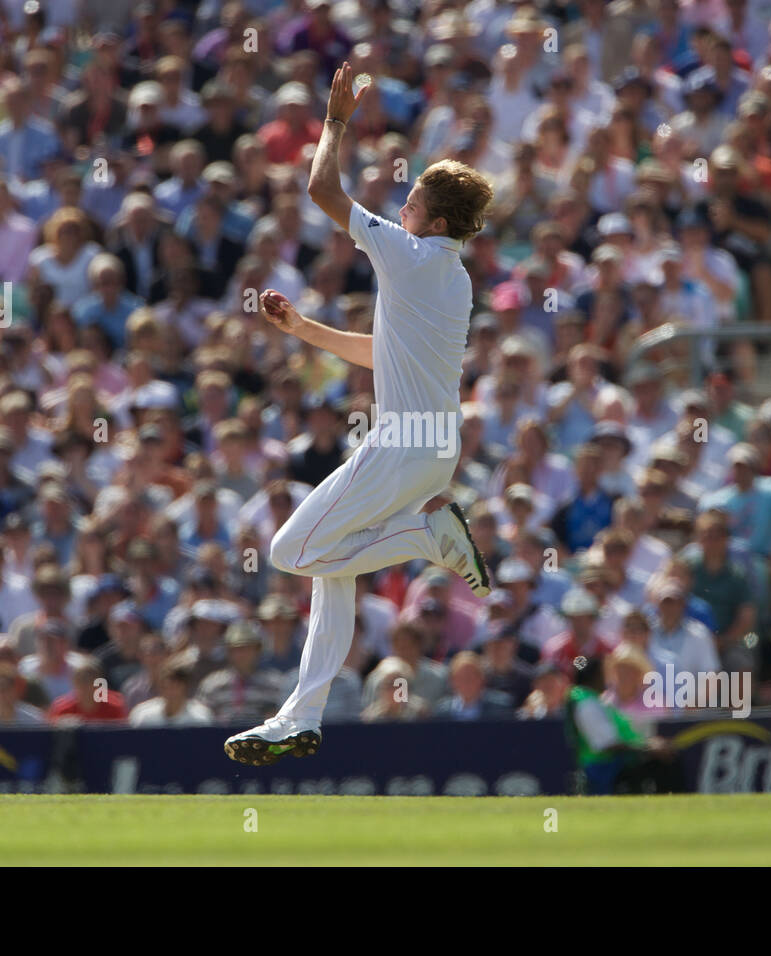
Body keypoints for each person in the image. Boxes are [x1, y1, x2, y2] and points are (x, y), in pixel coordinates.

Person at [224, 63, 495, 766]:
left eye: (411, 200)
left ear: (433, 222)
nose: (401, 205)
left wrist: (336, 119)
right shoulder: (453, 275)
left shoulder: (409, 254)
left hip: (402, 448)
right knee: (330, 565)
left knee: (289, 551)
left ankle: (431, 540)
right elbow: (385, 353)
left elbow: (320, 188)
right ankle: (299, 717)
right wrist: (306, 330)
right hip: (436, 446)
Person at [565, 655, 677, 795]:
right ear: (594, 676)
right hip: (605, 768)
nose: (608, 680)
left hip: (614, 762)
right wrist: (648, 747)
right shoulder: (587, 704)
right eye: (604, 673)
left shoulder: (592, 700)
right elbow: (608, 744)